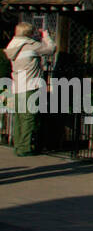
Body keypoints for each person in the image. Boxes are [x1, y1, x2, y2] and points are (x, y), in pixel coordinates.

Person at [5, 23, 57, 156]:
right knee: (29, 118)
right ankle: (26, 148)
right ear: (28, 33)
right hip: (30, 86)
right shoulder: (30, 46)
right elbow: (51, 49)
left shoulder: (12, 45)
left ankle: (18, 146)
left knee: (19, 118)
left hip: (17, 86)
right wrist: (45, 36)